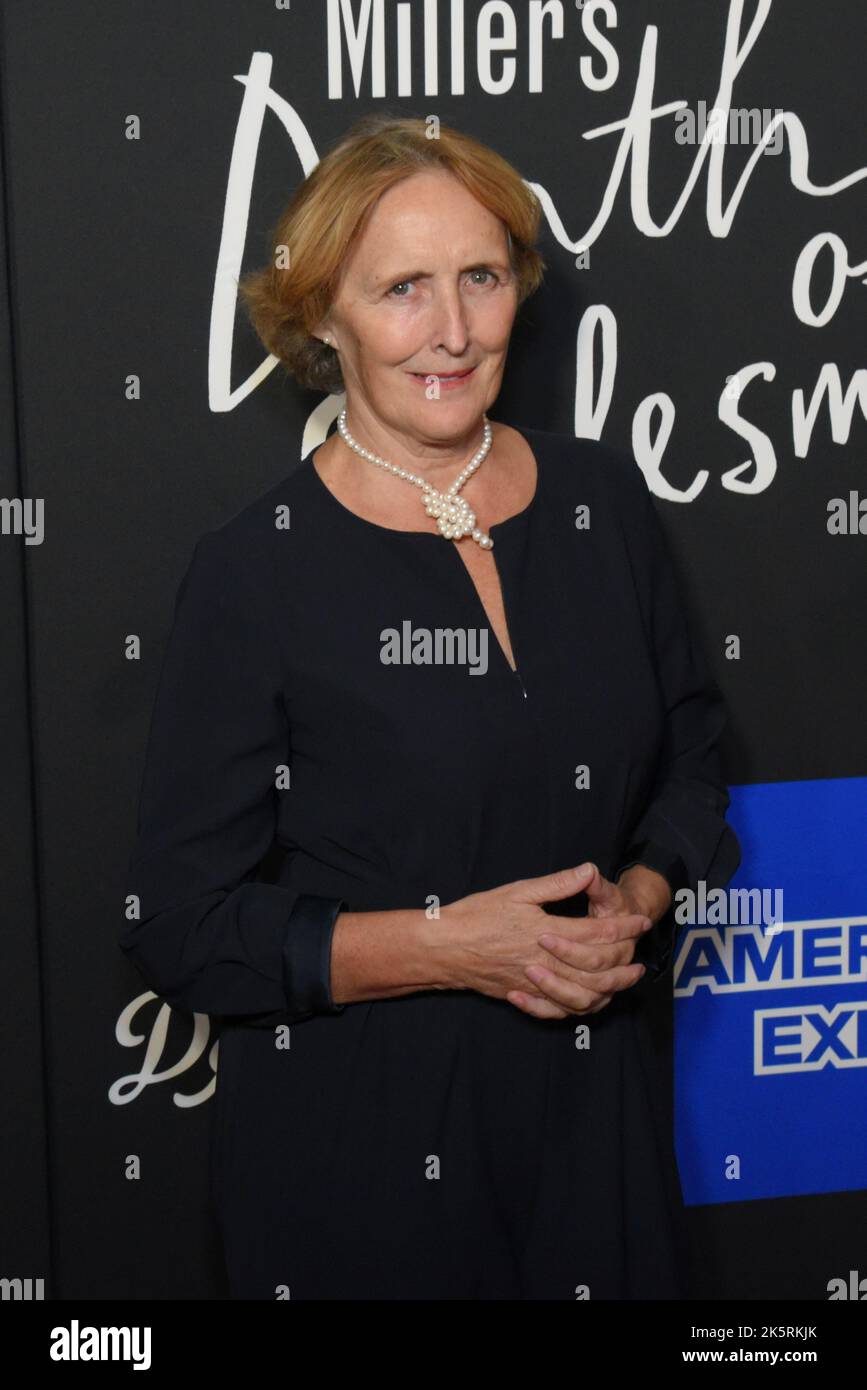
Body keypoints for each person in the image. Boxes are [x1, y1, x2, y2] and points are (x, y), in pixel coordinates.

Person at [121, 115, 741, 1300]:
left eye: (482, 277)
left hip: (593, 1136)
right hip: (360, 1173)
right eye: (402, 288)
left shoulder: (601, 499)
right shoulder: (257, 572)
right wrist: (455, 947)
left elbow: (694, 754)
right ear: (319, 316)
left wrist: (640, 896)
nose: (452, 331)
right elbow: (183, 923)